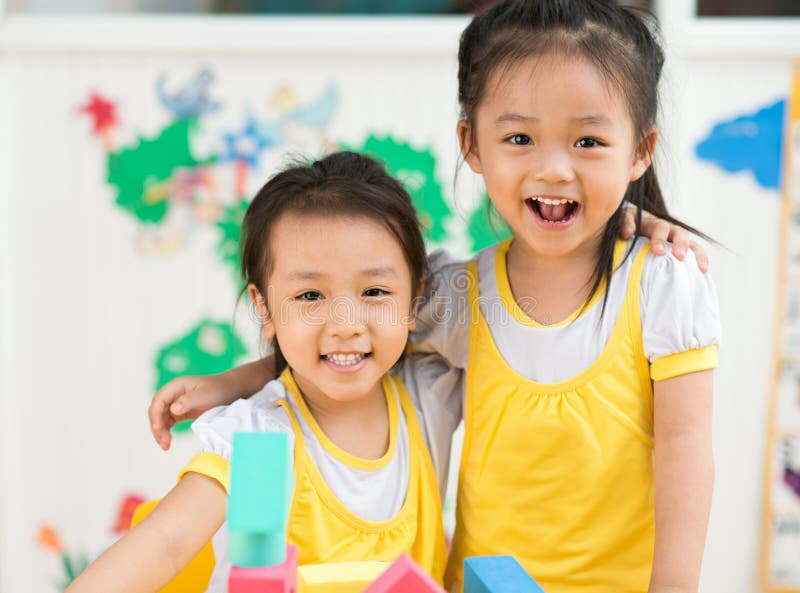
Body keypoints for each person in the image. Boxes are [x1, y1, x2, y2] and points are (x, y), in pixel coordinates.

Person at [148, 2, 721, 592]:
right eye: (520, 137)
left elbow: (686, 447)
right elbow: (346, 335)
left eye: (589, 141)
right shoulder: (458, 297)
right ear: (471, 144)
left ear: (640, 150)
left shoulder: (664, 283)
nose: (553, 169)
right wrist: (230, 384)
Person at [66, 152, 461, 593]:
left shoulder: (429, 392)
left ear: (415, 298)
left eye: (374, 291)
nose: (346, 324)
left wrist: (231, 381)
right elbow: (165, 546)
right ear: (265, 308)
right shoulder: (256, 436)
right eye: (310, 296)